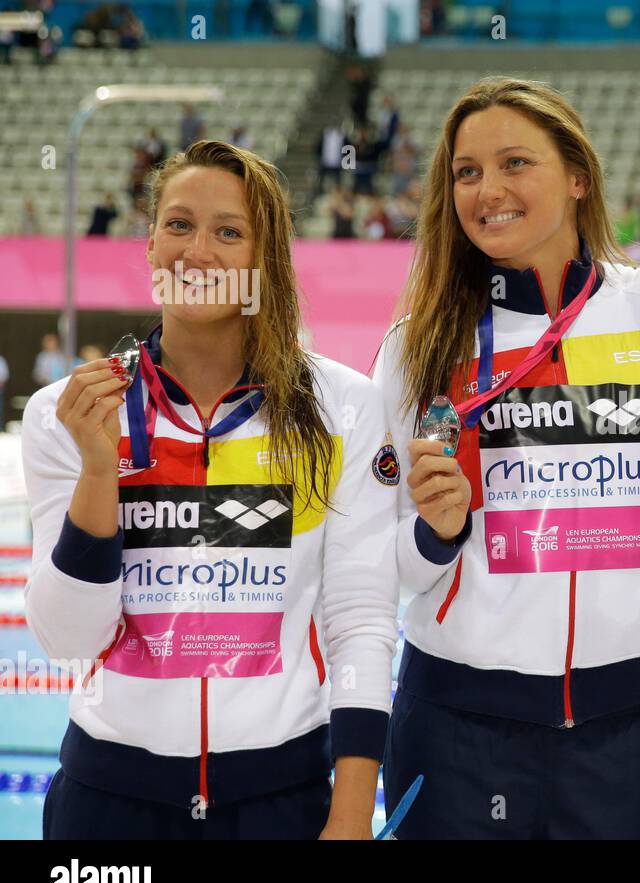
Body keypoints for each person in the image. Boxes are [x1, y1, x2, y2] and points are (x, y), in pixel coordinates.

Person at [22, 139, 399, 839]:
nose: (197, 251)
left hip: (280, 799)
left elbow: (361, 623)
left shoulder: (341, 408)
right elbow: (69, 638)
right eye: (178, 224)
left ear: (266, 260)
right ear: (150, 244)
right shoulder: (67, 414)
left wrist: (350, 814)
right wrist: (99, 472)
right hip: (108, 803)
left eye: (229, 232)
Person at [372, 77, 640, 839]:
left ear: (577, 176)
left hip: (623, 729)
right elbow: (379, 570)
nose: (487, 189)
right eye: (466, 172)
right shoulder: (418, 347)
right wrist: (434, 530)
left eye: (514, 163)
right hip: (455, 727)